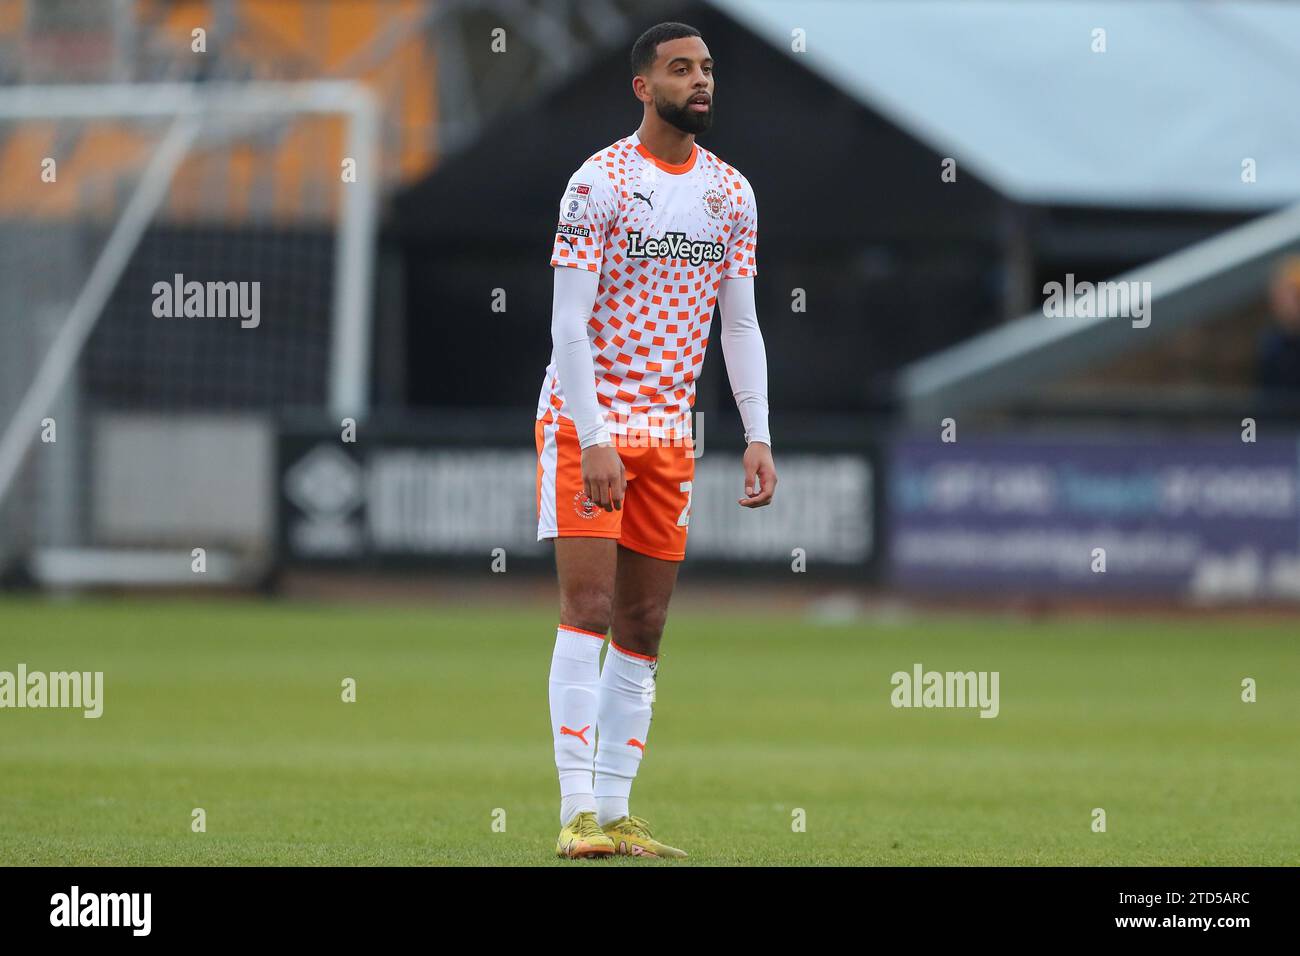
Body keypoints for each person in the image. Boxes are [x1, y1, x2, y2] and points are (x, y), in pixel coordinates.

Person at [535, 21, 776, 858]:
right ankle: (574, 816)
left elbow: (739, 323)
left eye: (707, 69)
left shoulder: (732, 194)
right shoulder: (597, 183)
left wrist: (758, 432)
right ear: (643, 86)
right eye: (681, 69)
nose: (700, 81)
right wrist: (594, 435)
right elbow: (568, 325)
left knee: (642, 623)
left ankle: (618, 811)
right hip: (587, 422)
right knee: (589, 609)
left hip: (672, 433)